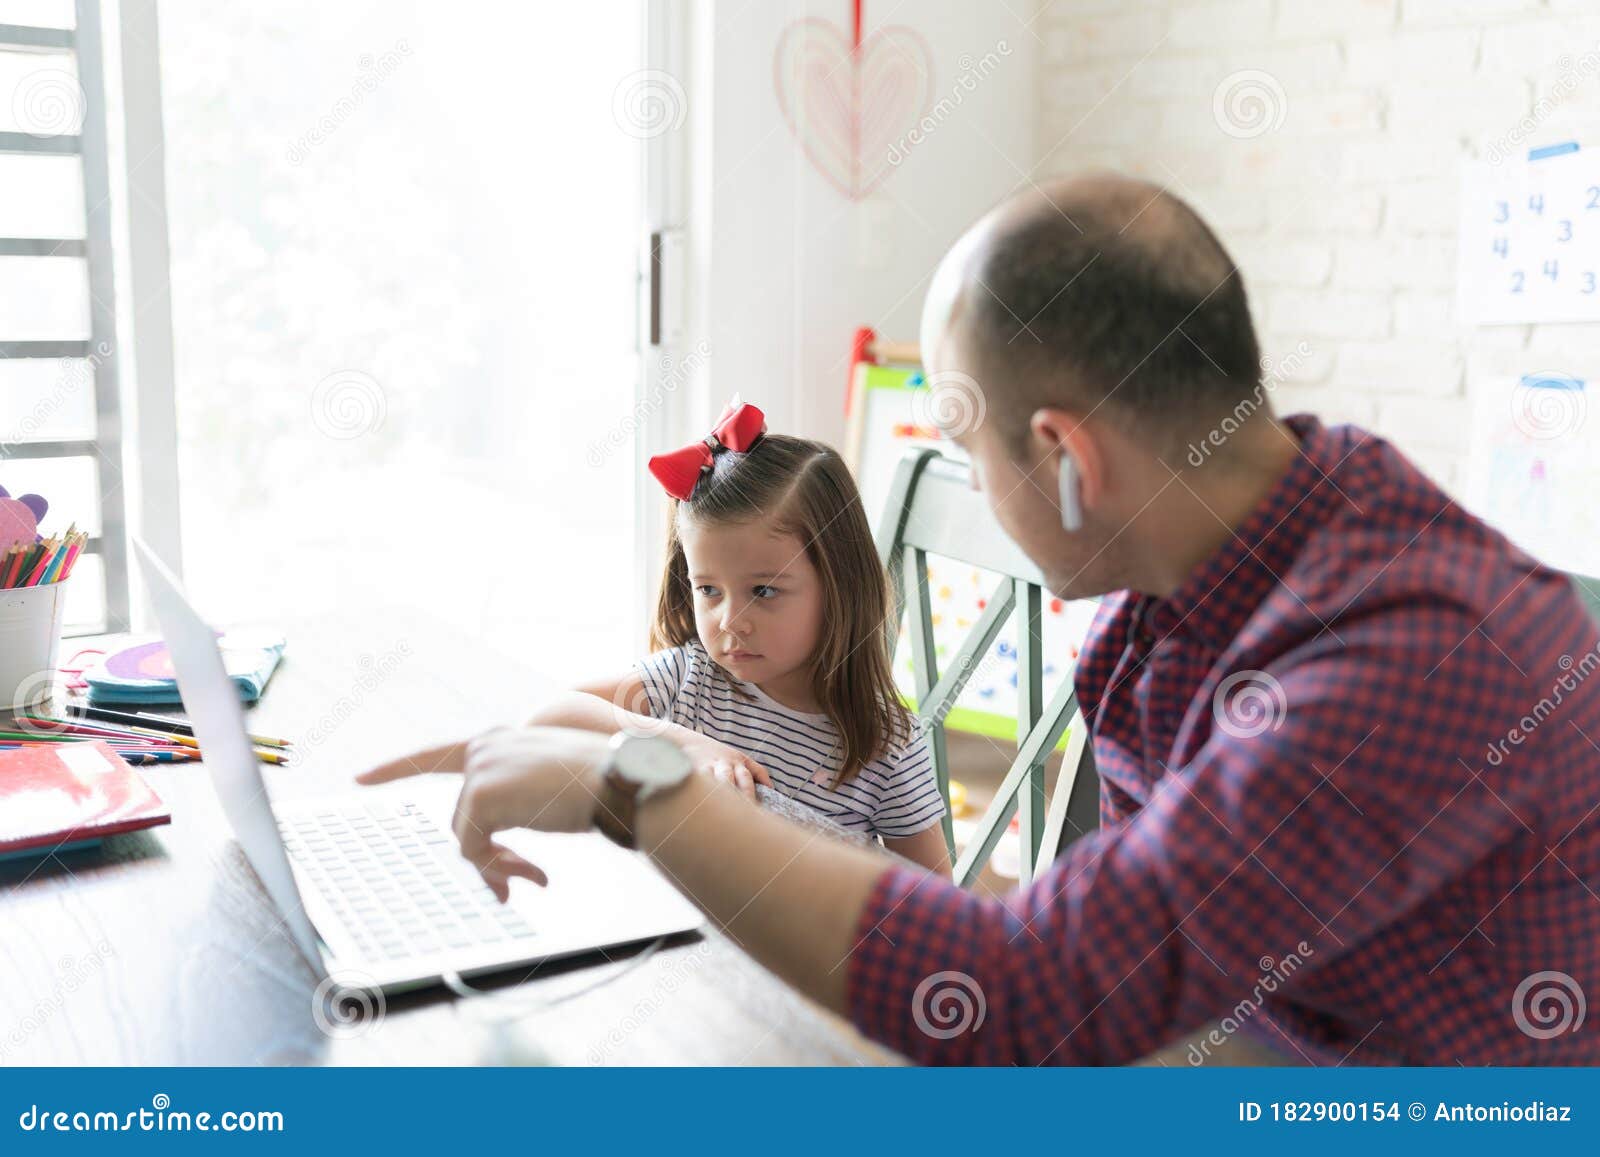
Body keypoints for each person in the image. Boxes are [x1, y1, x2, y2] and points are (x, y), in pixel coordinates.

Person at [360, 172, 1600, 1066]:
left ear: (1063, 454)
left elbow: (1027, 998)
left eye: (959, 440)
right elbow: (1130, 971)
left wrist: (636, 783)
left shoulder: (1398, 654)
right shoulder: (1223, 564)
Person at [524, 399, 949, 874]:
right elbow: (549, 718)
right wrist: (689, 745)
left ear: (839, 584)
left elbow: (936, 905)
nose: (730, 621)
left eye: (764, 590)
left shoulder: (883, 743)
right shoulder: (690, 680)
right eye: (708, 589)